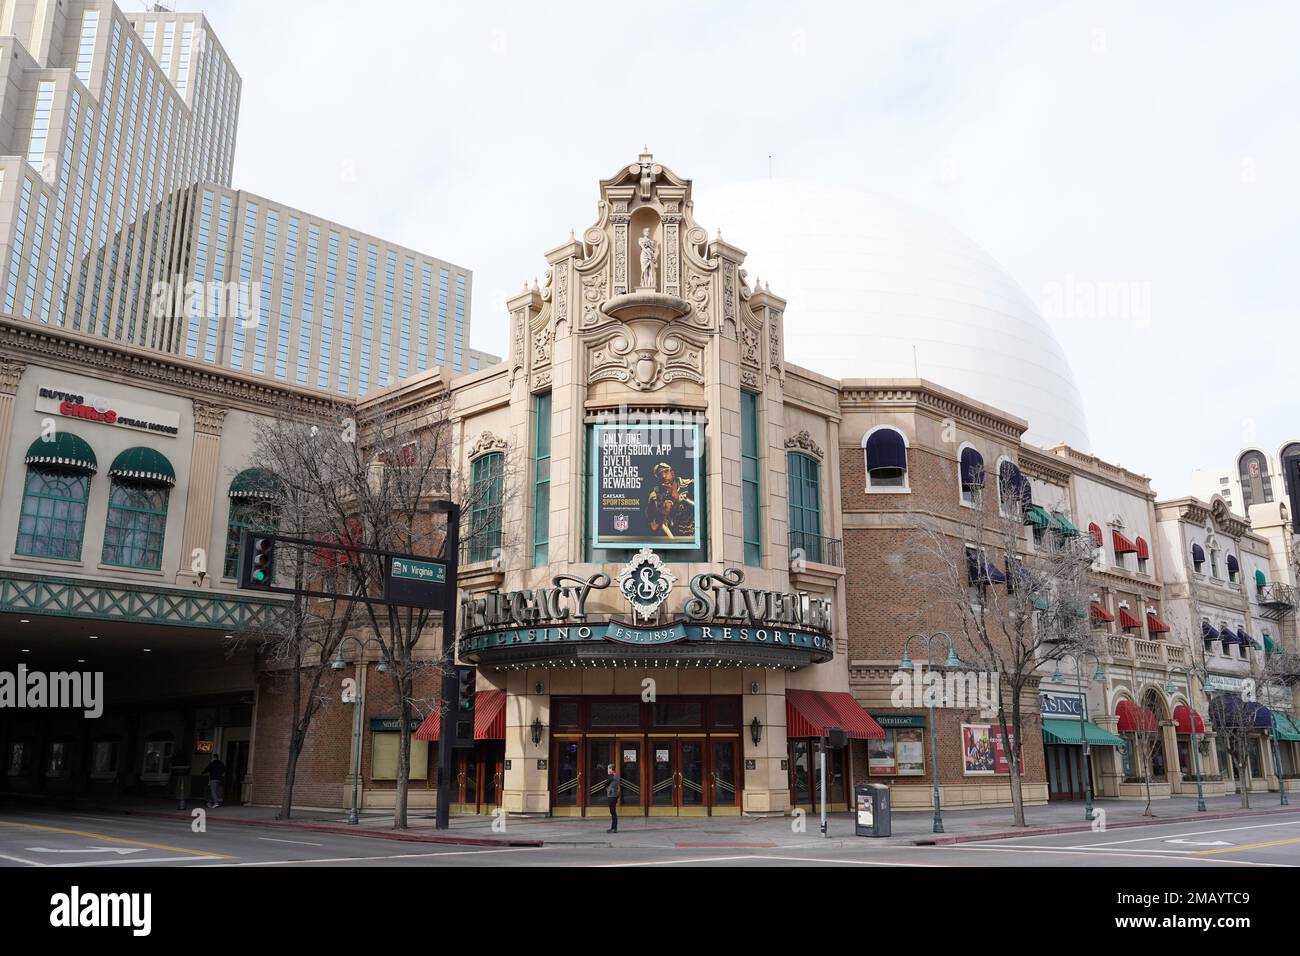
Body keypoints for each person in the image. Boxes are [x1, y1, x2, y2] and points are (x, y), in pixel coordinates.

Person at [605, 763, 621, 833]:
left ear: (611, 769)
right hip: (615, 795)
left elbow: (605, 784)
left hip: (611, 795)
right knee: (613, 812)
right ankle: (613, 828)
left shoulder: (611, 776)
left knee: (613, 812)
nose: (607, 770)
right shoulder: (617, 775)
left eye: (608, 768)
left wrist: (606, 787)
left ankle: (614, 828)